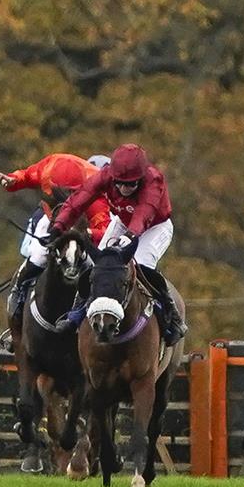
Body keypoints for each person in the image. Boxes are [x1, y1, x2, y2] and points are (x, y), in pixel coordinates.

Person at [49, 143, 186, 346]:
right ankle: (76, 314)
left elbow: (144, 213)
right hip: (123, 223)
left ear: (141, 179)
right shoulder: (105, 176)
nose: (124, 189)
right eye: (120, 183)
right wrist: (59, 225)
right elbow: (80, 199)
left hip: (154, 226)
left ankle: (171, 315)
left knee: (141, 264)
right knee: (100, 266)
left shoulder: (153, 180)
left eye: (131, 185)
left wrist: (130, 236)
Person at [0, 152, 111, 348]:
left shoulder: (96, 193)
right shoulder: (48, 168)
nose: (67, 198)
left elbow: (105, 230)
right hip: (53, 216)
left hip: (84, 221)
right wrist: (11, 180)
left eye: (72, 194)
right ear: (50, 184)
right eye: (60, 192)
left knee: (99, 265)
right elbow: (26, 176)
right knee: (38, 256)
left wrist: (84, 233)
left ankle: (101, 321)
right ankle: (18, 305)